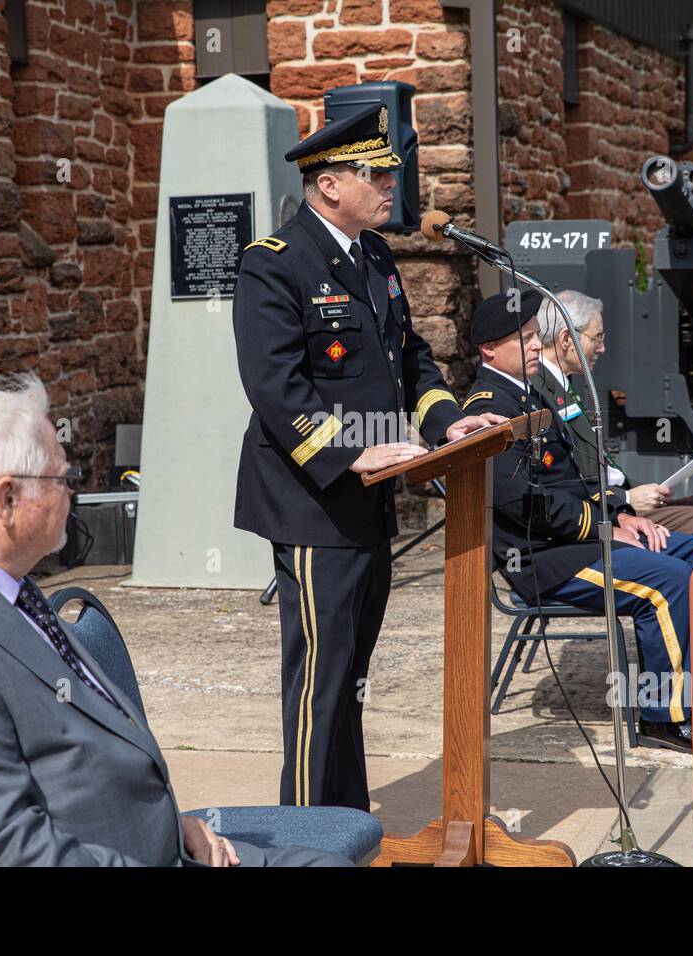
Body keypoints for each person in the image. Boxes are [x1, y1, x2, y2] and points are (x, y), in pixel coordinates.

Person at [0, 375, 351, 866]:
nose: (72, 493)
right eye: (62, 479)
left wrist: (175, 828)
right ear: (6, 501)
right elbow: (3, 852)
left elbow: (71, 760)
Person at [231, 104, 503, 809]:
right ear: (328, 186)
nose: (392, 185)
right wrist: (354, 452)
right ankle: (299, 834)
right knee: (321, 679)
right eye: (377, 173)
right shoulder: (275, 264)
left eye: (391, 172)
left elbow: (408, 357)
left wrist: (447, 423)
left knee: (353, 674)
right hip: (314, 503)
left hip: (373, 499)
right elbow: (274, 384)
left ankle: (344, 819)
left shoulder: (376, 256)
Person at [462, 290, 693, 753]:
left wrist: (623, 513)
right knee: (669, 581)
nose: (536, 346)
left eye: (533, 337)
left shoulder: (528, 392)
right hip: (546, 559)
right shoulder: (490, 408)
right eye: (524, 340)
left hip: (577, 539)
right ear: (489, 350)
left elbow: (578, 477)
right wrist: (607, 527)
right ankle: (664, 715)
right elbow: (525, 507)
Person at [530, 290, 693, 697]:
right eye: (596, 338)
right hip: (598, 517)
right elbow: (566, 480)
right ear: (566, 339)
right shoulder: (541, 389)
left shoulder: (566, 384)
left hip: (613, 503)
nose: (602, 347)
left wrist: (631, 494)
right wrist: (627, 502)